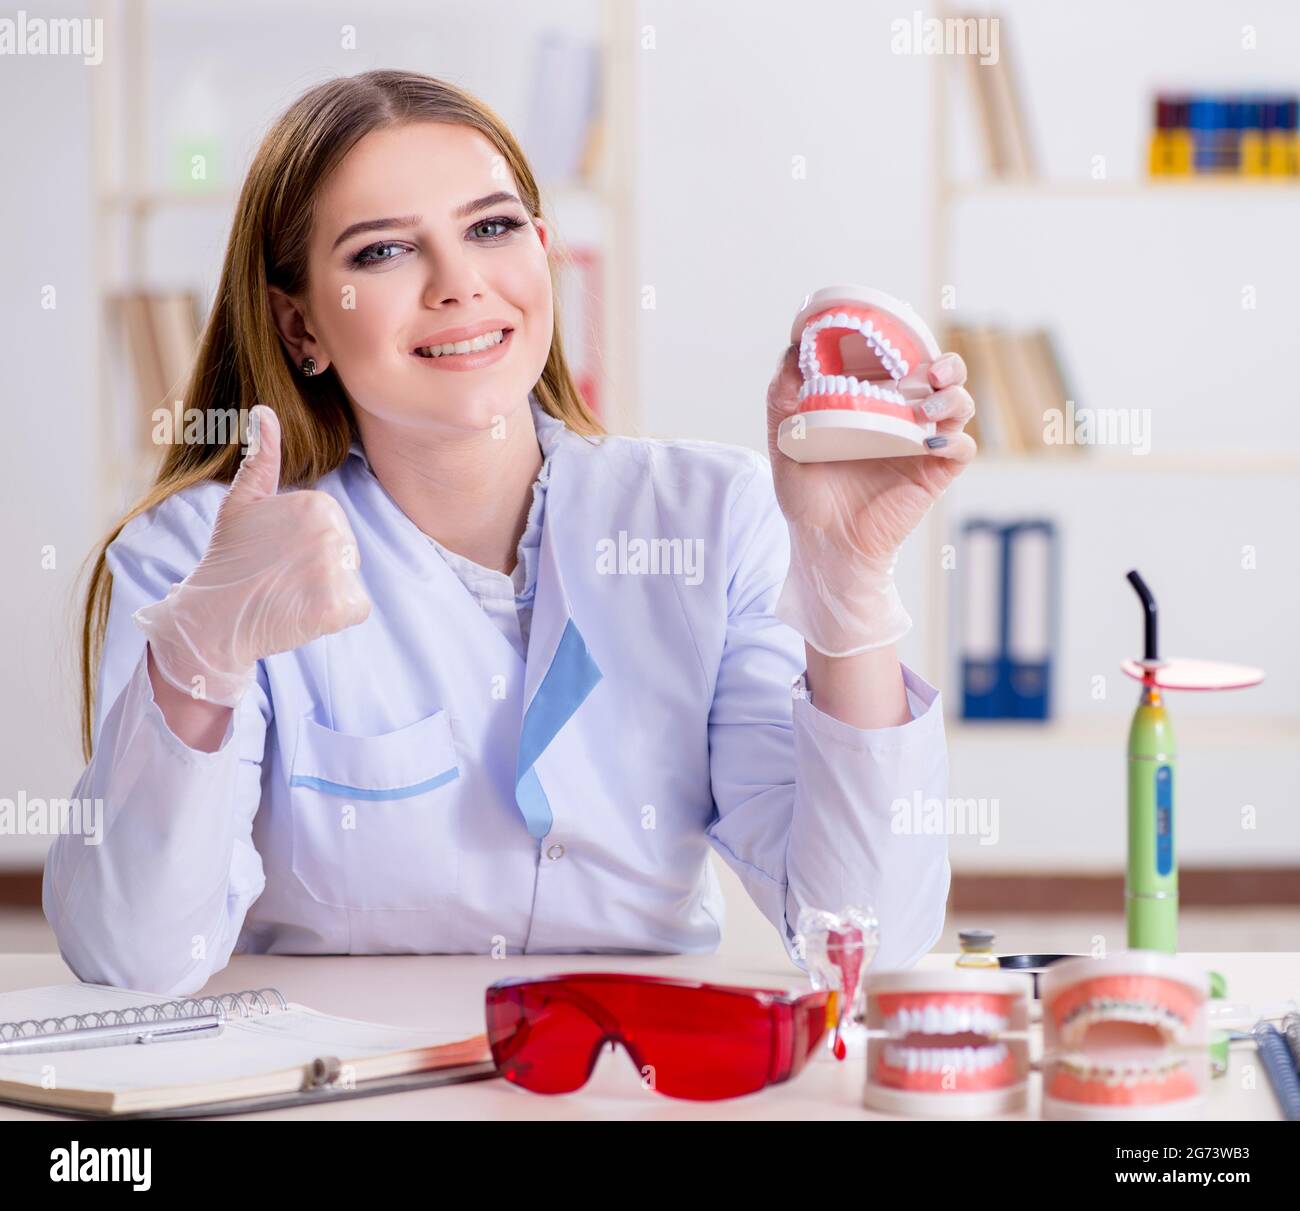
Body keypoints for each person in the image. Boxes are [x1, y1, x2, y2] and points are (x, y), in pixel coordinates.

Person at [46, 71, 976, 995]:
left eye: (490, 228)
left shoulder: (713, 517)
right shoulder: (204, 558)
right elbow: (132, 955)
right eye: (381, 253)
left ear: (541, 250)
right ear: (300, 326)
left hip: (629, 1082)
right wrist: (204, 652)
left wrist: (848, 583)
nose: (460, 285)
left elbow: (869, 932)